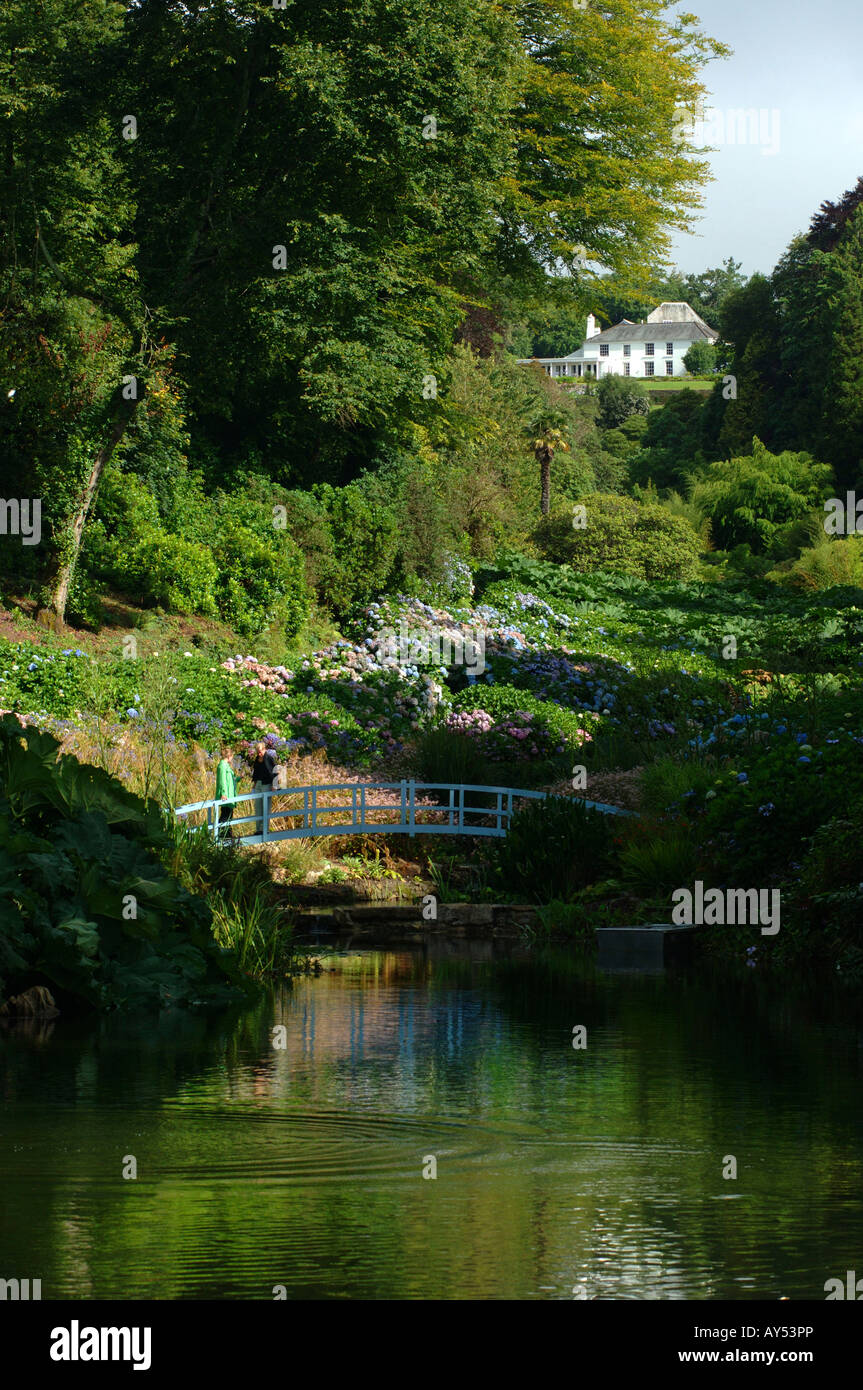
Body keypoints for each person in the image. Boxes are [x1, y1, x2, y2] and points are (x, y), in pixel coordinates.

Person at [251, 739, 278, 836]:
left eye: (261, 752)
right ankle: (258, 829)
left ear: (264, 749)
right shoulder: (257, 759)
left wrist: (274, 785)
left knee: (266, 808)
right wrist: (254, 784)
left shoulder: (269, 758)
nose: (259, 754)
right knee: (258, 807)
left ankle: (265, 829)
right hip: (258, 784)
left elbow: (275, 771)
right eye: (258, 752)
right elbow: (255, 772)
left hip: (267, 784)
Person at [215, 745, 237, 841]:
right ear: (229, 756)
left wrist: (239, 778)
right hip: (226, 796)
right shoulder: (222, 766)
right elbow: (222, 780)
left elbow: (231, 779)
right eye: (232, 756)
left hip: (230, 795)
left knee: (229, 815)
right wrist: (223, 793)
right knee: (225, 815)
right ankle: (222, 835)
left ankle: (227, 834)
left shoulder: (226, 765)